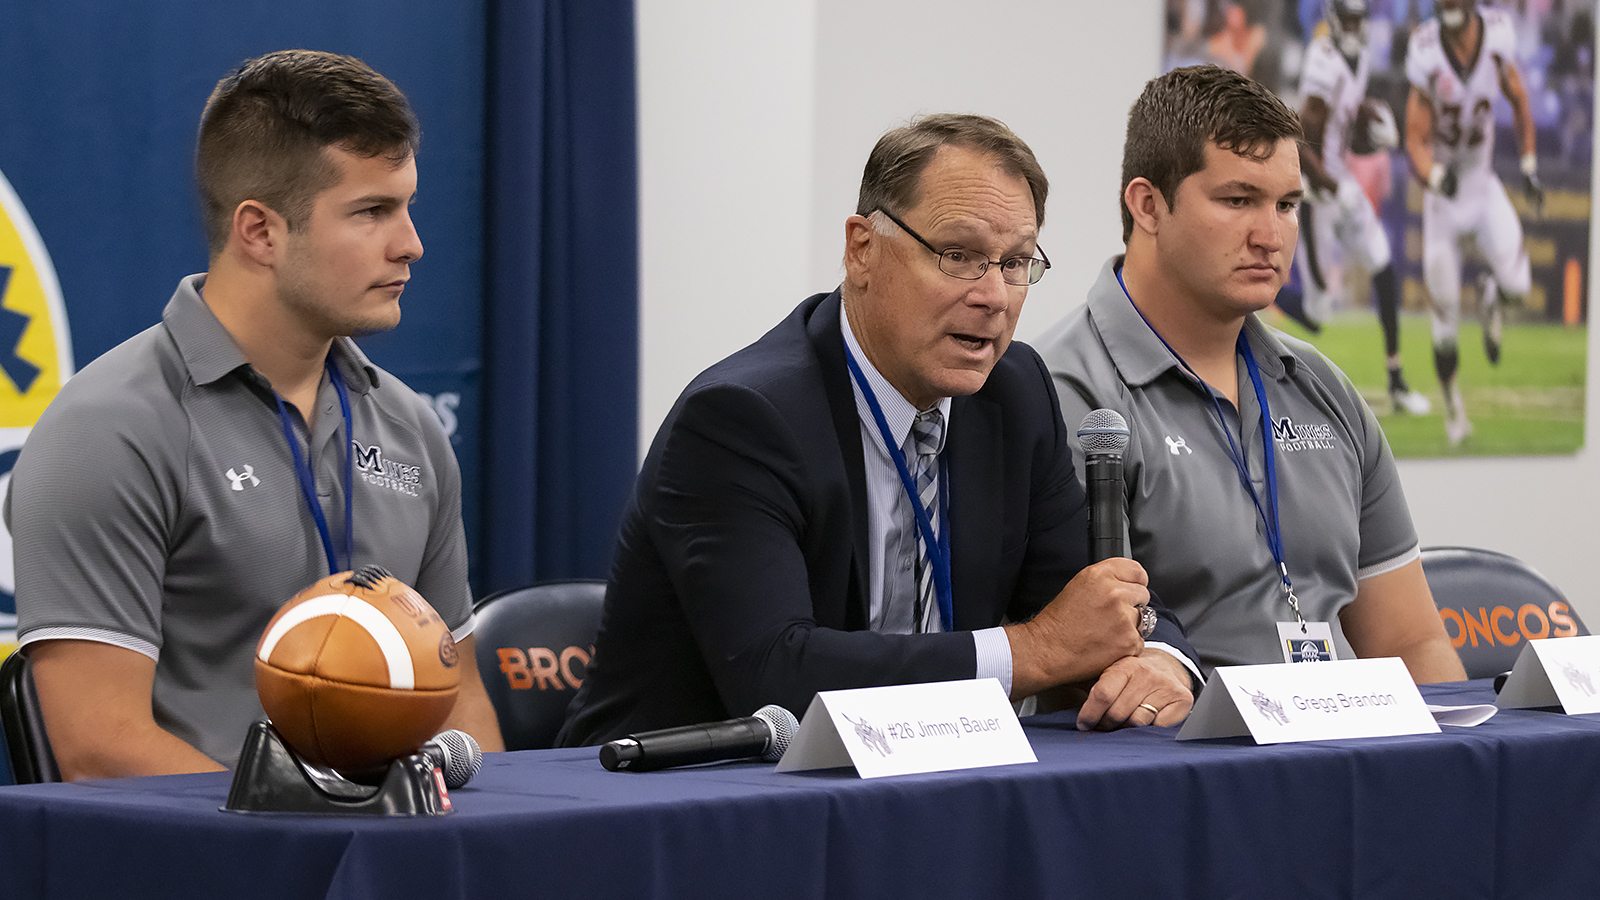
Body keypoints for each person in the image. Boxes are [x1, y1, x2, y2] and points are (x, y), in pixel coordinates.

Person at [557, 114, 1202, 748]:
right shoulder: (740, 420)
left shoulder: (1014, 395)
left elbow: (1092, 603)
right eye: (958, 256)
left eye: (1014, 263)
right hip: (681, 789)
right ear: (862, 249)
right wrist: (1032, 651)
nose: (995, 297)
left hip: (924, 774)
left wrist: (1161, 661)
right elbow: (778, 677)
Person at [4, 50, 503, 780]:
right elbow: (98, 747)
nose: (411, 245)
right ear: (260, 232)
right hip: (200, 840)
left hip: (393, 839)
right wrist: (309, 828)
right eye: (371, 212)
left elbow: (460, 705)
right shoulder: (108, 430)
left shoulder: (410, 428)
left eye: (407, 207)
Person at [1036, 65, 1465, 682]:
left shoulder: (1325, 388)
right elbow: (1097, 665)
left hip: (1346, 731)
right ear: (1148, 205)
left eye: (1286, 205)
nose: (1271, 236)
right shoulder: (1063, 393)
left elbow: (1413, 643)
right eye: (1237, 201)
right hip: (1186, 739)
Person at [1277, 0, 1431, 417]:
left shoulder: (1359, 57)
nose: (1352, 25)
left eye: (1357, 18)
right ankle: (1256, 298)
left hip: (1341, 180)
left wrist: (1373, 119)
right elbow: (1299, 139)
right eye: (1347, 18)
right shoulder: (1322, 60)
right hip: (1317, 191)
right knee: (1317, 314)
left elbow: (1348, 113)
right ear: (1333, 18)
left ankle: (1397, 381)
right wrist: (1328, 185)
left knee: (1384, 268)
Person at [1404, 0, 1544, 445]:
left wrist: (1529, 166)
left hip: (1483, 187)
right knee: (1444, 322)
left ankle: (1491, 296)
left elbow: (1520, 100)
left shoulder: (1498, 37)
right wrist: (1433, 175)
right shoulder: (1426, 49)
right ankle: (1455, 413)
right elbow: (1415, 138)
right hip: (1443, 200)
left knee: (1518, 286)